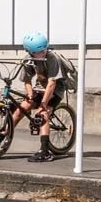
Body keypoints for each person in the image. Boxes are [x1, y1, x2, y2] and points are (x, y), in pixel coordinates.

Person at [17, 32, 71, 161]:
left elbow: (52, 83)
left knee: (43, 114)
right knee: (21, 108)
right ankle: (2, 137)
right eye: (39, 51)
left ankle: (45, 152)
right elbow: (27, 79)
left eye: (44, 49)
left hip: (55, 90)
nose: (43, 52)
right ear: (30, 52)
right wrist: (30, 95)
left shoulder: (52, 58)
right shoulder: (29, 59)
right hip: (40, 88)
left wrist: (43, 104)